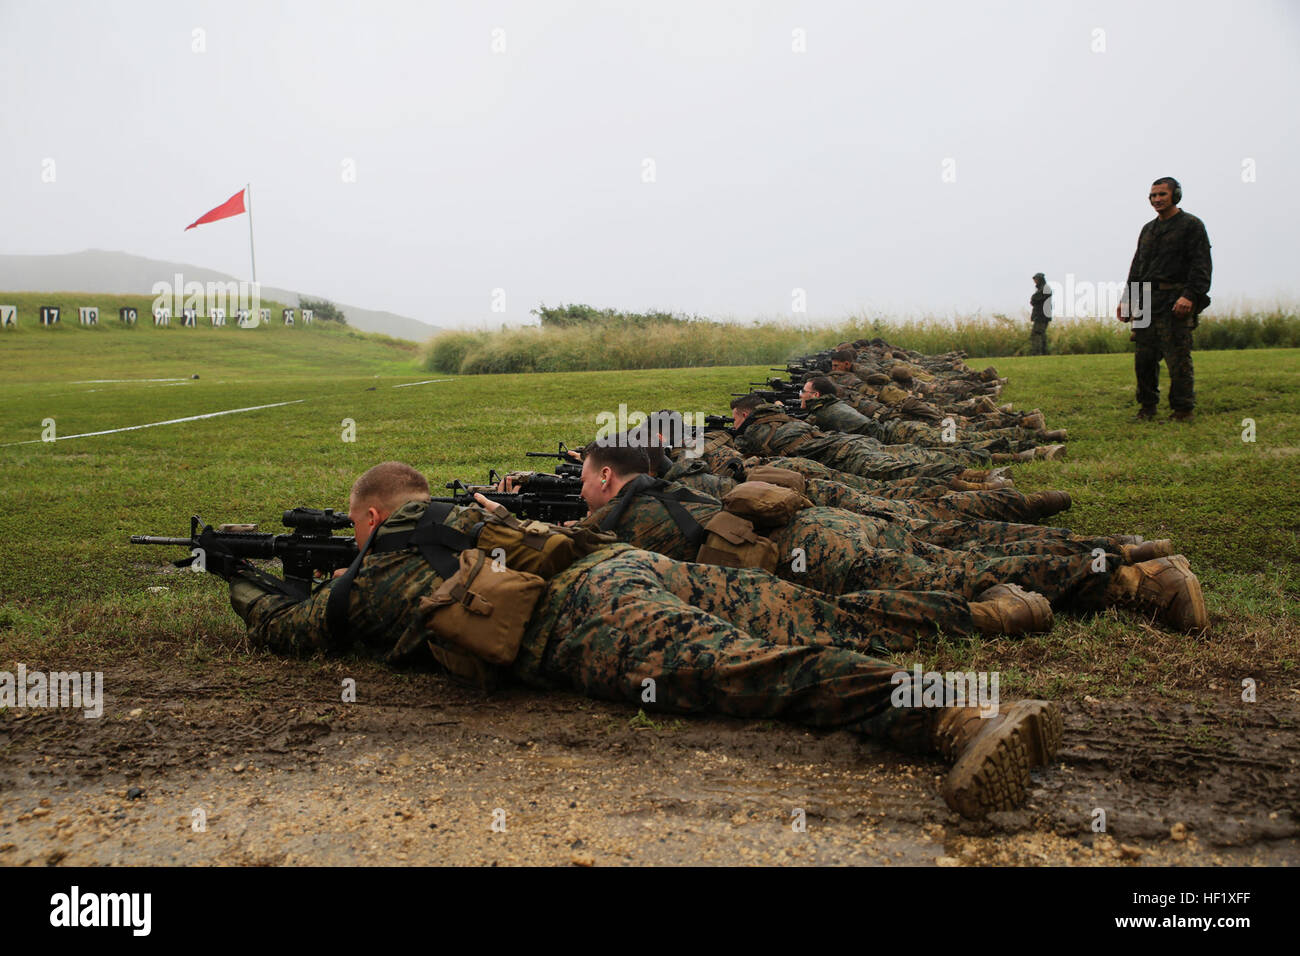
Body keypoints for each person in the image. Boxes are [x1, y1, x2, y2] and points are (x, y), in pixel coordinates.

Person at [199, 460, 1064, 818]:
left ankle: (952, 716)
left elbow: (289, 629)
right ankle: (999, 610)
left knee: (760, 671)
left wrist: (235, 575)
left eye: (354, 530)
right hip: (625, 566)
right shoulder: (474, 514)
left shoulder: (369, 579)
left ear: (372, 516)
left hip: (590, 620)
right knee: (816, 615)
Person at [1117, 176, 1212, 422]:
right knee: (1144, 358)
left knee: (1177, 357)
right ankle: (1147, 407)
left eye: (1162, 194)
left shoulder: (1191, 225)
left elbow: (1201, 266)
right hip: (1147, 301)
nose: (1157, 199)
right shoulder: (1148, 230)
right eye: (1153, 195)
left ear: (1175, 195)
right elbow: (1137, 267)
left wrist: (1189, 296)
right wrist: (1128, 300)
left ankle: (1182, 410)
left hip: (1176, 299)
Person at [1030, 273, 1052, 355]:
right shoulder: (1042, 289)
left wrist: (1034, 299)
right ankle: (1043, 352)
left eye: (1036, 280)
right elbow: (1035, 299)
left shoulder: (1045, 289)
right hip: (1041, 315)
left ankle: (1038, 352)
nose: (1035, 282)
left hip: (1042, 316)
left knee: (1037, 334)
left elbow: (1035, 299)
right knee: (1040, 334)